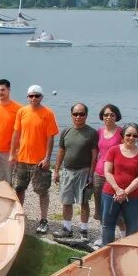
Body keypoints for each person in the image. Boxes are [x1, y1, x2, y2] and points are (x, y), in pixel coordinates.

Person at [9, 84, 59, 234]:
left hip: (39, 161)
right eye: (31, 96)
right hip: (22, 159)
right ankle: (19, 214)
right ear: (27, 97)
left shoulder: (48, 113)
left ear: (41, 97)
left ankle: (43, 220)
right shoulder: (22, 112)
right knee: (19, 188)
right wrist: (12, 153)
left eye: (37, 95)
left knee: (42, 191)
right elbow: (16, 134)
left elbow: (51, 138)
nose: (33, 98)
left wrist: (47, 158)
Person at [52, 103, 98, 240]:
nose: (78, 116)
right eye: (75, 114)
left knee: (84, 202)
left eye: (81, 114)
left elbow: (94, 155)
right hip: (67, 171)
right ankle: (67, 228)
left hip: (84, 172)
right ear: (71, 115)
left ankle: (83, 231)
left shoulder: (92, 133)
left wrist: (91, 174)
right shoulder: (66, 131)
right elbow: (61, 151)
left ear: (86, 115)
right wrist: (56, 170)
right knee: (66, 202)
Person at [101, 122, 138, 245]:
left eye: (135, 135)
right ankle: (106, 251)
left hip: (133, 196)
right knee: (107, 225)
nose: (131, 138)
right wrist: (117, 189)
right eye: (128, 135)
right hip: (111, 193)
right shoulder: (113, 150)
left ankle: (129, 251)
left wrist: (125, 192)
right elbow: (107, 172)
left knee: (133, 227)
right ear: (123, 135)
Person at [91, 104, 124, 247]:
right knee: (100, 207)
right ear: (102, 117)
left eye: (112, 114)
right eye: (106, 114)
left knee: (117, 207)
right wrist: (90, 174)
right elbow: (95, 153)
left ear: (116, 116)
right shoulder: (99, 132)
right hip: (99, 173)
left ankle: (124, 236)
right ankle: (103, 236)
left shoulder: (122, 132)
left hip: (115, 175)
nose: (108, 117)